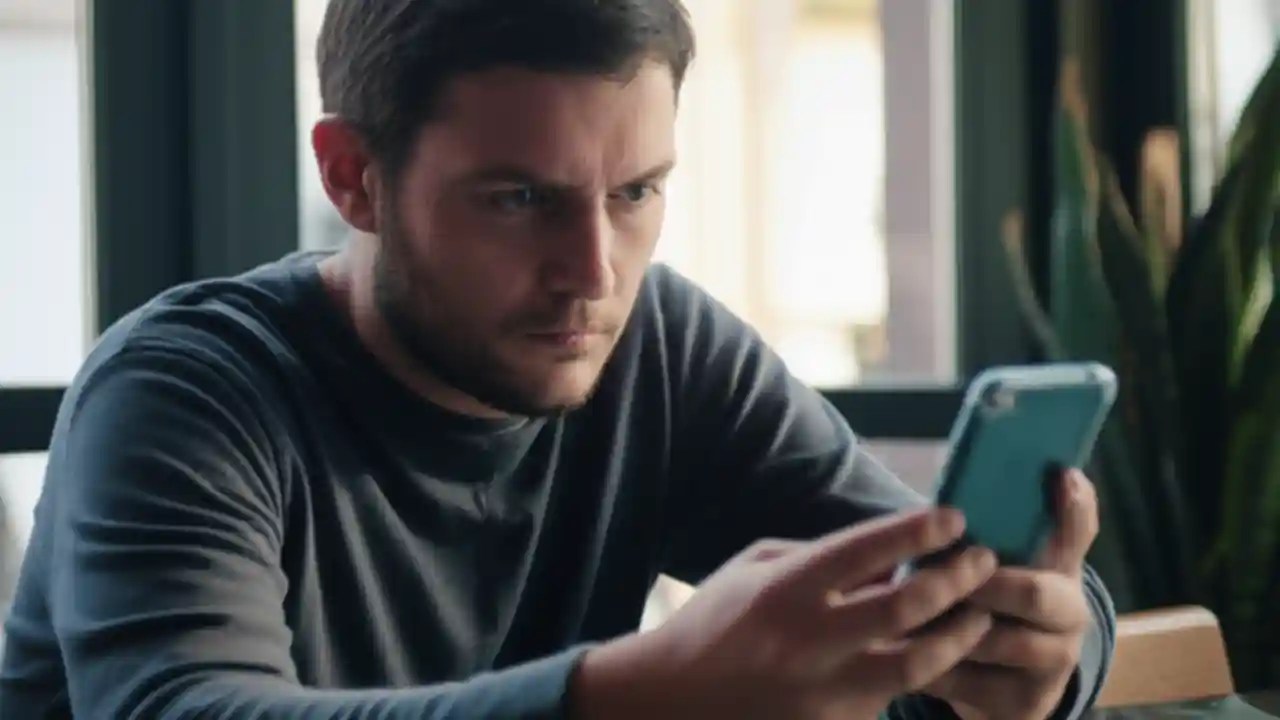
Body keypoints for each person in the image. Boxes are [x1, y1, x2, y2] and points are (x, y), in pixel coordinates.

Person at [0, 1, 1115, 717]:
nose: (592, 272)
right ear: (353, 177)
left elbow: (920, 595)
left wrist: (1034, 654)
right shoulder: (182, 393)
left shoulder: (657, 351)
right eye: (518, 199)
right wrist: (645, 692)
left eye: (635, 194)